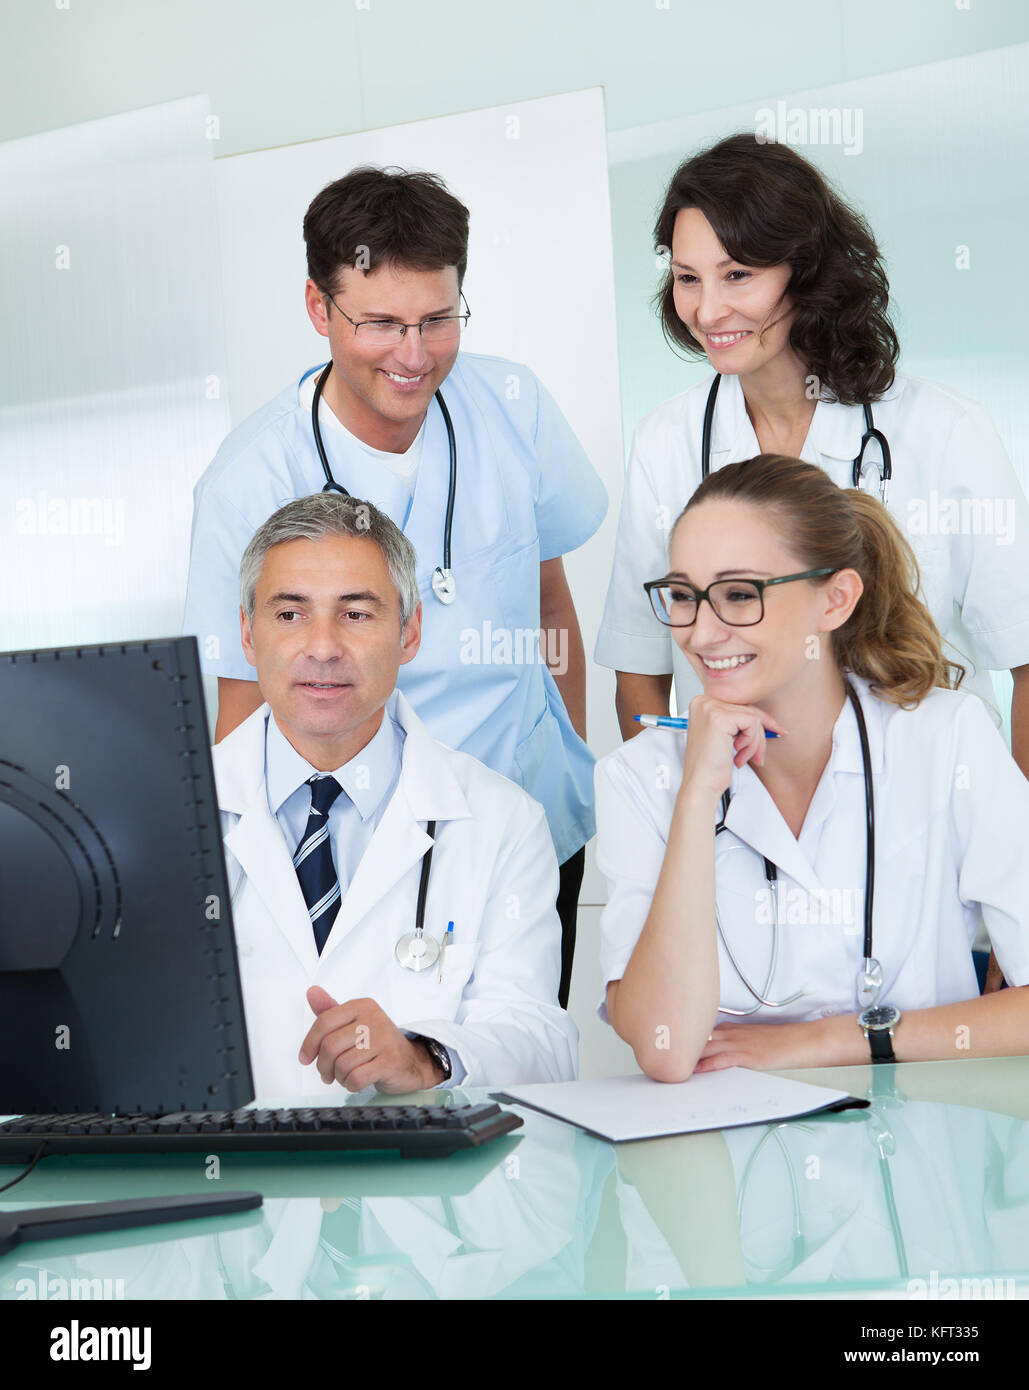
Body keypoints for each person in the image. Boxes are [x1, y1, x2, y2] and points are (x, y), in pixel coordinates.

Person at [185, 167, 607, 1007]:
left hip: (526, 823)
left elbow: (549, 607)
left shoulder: (512, 406)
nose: (414, 357)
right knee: (374, 1088)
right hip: (361, 847)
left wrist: (558, 769)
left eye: (437, 321)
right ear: (319, 309)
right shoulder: (249, 478)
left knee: (510, 1076)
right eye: (380, 323)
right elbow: (243, 705)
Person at [596, 133, 1029, 764]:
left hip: (927, 819)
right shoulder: (667, 442)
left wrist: (1012, 839)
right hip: (745, 831)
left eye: (737, 274)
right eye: (688, 278)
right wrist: (684, 822)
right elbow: (640, 667)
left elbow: (1024, 656)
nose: (707, 309)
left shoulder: (945, 432)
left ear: (808, 270)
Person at [595, 455, 1029, 1083]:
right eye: (684, 596)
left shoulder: (946, 739)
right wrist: (695, 800)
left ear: (835, 600)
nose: (701, 632)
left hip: (914, 1147)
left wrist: (828, 1041)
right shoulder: (641, 777)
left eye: (740, 594)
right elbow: (665, 1048)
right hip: (728, 1159)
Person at [213, 490, 577, 1096]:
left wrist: (426, 1057)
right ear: (248, 637)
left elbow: (542, 1043)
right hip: (226, 1177)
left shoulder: (502, 820)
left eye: (356, 614)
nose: (323, 647)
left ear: (409, 633)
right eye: (290, 614)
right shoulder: (174, 814)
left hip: (418, 1186)